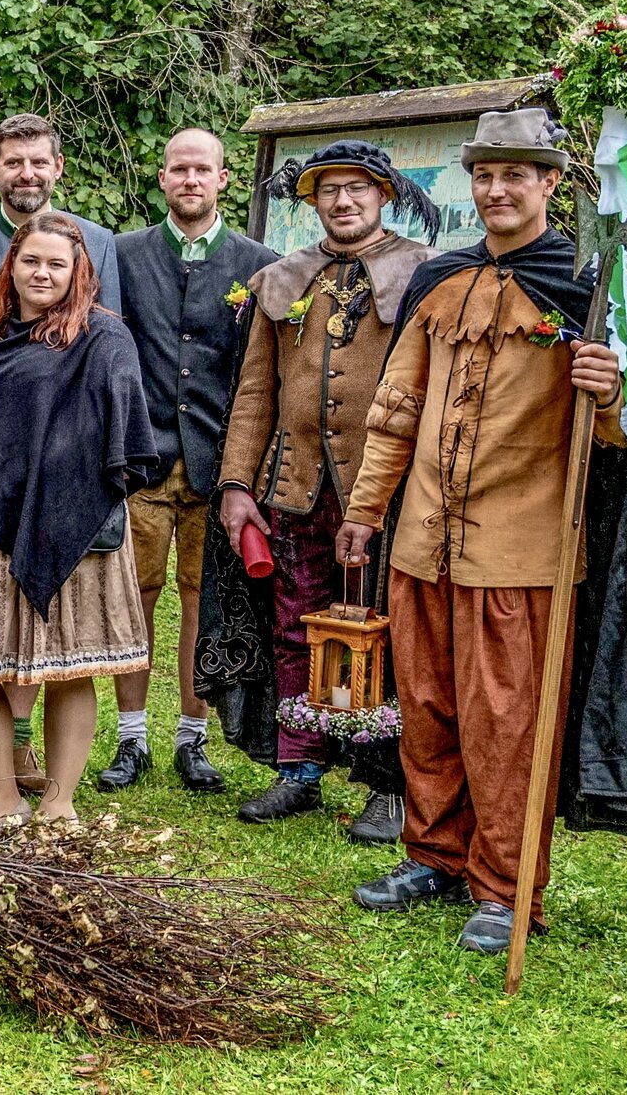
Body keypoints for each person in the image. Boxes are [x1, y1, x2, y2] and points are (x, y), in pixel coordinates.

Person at [336, 108, 627, 953]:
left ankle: (506, 886)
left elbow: (617, 439)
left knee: (507, 720)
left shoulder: (584, 288)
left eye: (516, 174)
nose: (497, 189)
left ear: (549, 184)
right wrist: (365, 509)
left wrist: (606, 391)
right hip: (423, 538)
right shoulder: (442, 280)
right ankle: (433, 852)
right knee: (428, 706)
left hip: (522, 547)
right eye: (485, 174)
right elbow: (394, 410)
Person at [209, 139, 437, 840]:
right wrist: (237, 483)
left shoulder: (424, 272)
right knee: (294, 626)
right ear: (312, 202)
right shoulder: (283, 278)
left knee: (385, 632)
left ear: (383, 193)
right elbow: (255, 392)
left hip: (385, 488)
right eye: (328, 191)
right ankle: (299, 768)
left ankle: (384, 781)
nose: (342, 201)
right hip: (296, 483)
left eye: (356, 189)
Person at [0, 212, 157, 829]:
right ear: (11, 266)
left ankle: (59, 803)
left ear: (78, 270)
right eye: (31, 261)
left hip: (72, 525)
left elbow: (123, 437)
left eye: (58, 263)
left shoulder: (105, 339)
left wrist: (61, 480)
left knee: (69, 667)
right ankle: (2, 796)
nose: (43, 273)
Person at [0, 113, 123, 796]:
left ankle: (30, 760)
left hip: (65, 490)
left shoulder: (100, 250)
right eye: (15, 161)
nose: (27, 172)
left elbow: (108, 379)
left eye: (39, 161)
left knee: (57, 646)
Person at [101, 129, 275, 794]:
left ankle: (192, 739)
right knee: (135, 598)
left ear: (224, 178)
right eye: (179, 169)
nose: (190, 180)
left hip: (219, 462)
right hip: (143, 459)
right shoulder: (122, 253)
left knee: (204, 602)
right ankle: (132, 736)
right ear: (162, 176)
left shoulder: (258, 262)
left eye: (202, 169)